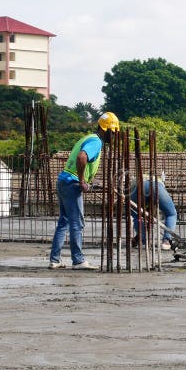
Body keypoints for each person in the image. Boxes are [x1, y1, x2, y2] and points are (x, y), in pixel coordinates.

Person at [49, 112, 120, 269]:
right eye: (113, 133)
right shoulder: (96, 142)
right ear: (106, 130)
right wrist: (81, 181)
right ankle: (78, 260)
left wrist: (90, 180)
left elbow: (81, 162)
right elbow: (82, 157)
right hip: (72, 183)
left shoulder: (87, 137)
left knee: (64, 222)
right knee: (77, 223)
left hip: (63, 181)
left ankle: (54, 260)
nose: (113, 137)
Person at [129, 176, 177, 251]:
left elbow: (144, 211)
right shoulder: (159, 181)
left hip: (141, 187)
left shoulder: (133, 183)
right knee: (171, 214)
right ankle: (166, 241)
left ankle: (143, 239)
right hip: (158, 188)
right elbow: (151, 210)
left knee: (136, 214)